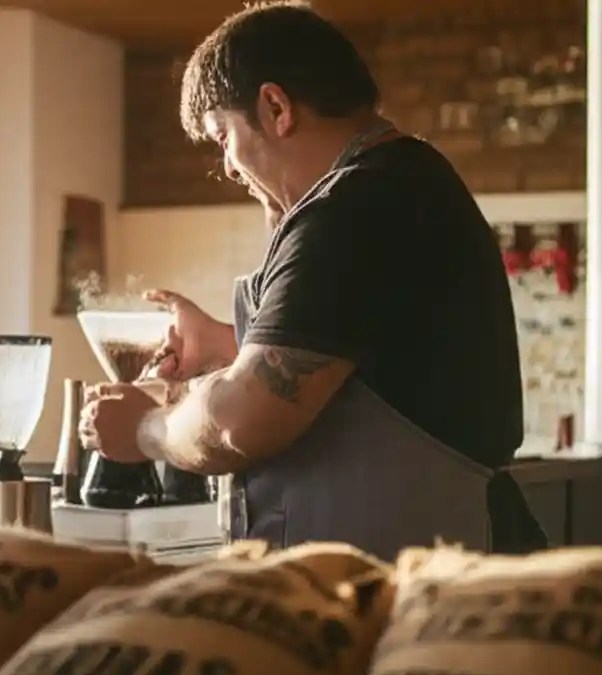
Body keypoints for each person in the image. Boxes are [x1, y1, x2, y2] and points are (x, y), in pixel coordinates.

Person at [79, 1, 545, 558]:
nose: (228, 167)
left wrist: (146, 428)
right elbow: (357, 364)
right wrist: (227, 344)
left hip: (400, 585)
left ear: (276, 108)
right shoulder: (400, 182)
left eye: (223, 137)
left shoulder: (348, 208)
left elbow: (238, 424)